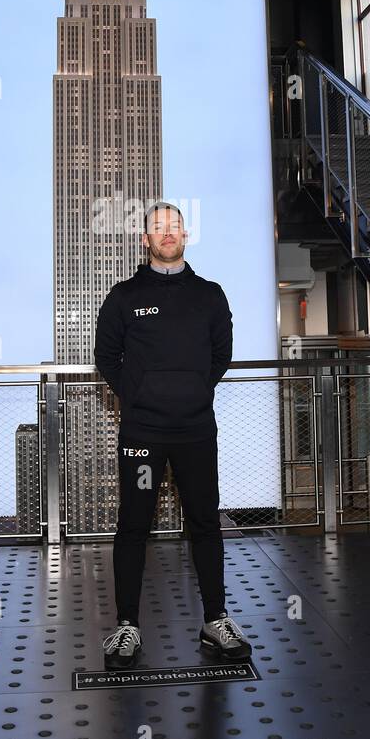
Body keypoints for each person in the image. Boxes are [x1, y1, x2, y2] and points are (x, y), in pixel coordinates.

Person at [94, 200, 252, 669]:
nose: (168, 233)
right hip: (143, 433)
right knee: (134, 525)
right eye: (158, 227)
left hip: (196, 431)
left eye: (175, 226)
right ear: (144, 239)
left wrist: (193, 390)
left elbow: (220, 355)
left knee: (205, 523)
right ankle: (126, 626)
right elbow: (107, 356)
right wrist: (138, 395)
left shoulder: (210, 294)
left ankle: (215, 619)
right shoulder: (123, 296)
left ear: (186, 236)